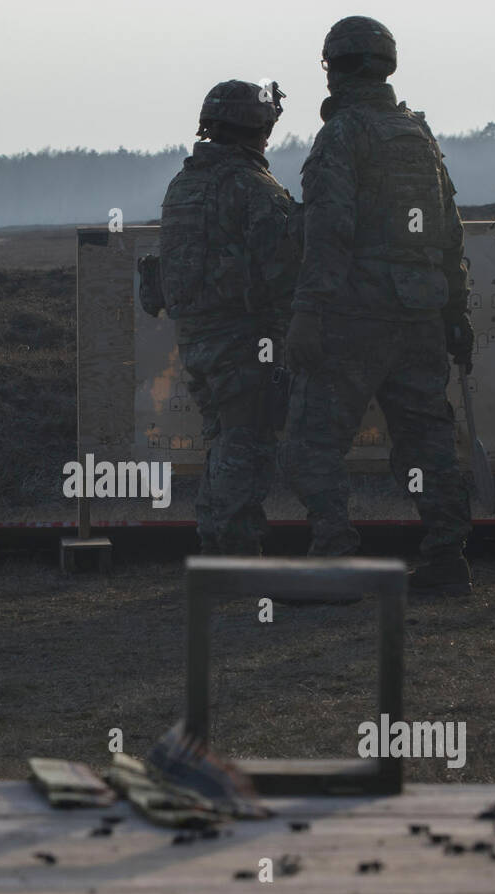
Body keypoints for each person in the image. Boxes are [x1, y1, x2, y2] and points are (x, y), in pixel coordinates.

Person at [282, 16, 475, 596]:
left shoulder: (343, 134)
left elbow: (329, 232)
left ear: (333, 68)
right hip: (421, 314)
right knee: (428, 443)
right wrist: (456, 311)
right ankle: (447, 561)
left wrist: (307, 311)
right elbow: (450, 231)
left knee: (312, 442)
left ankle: (334, 561)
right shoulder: (418, 133)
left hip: (353, 314)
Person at [158, 80, 302, 555]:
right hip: (244, 338)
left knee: (223, 442)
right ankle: (234, 551)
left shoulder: (184, 183)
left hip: (197, 336)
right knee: (245, 447)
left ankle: (215, 543)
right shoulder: (252, 186)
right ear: (257, 127)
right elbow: (281, 270)